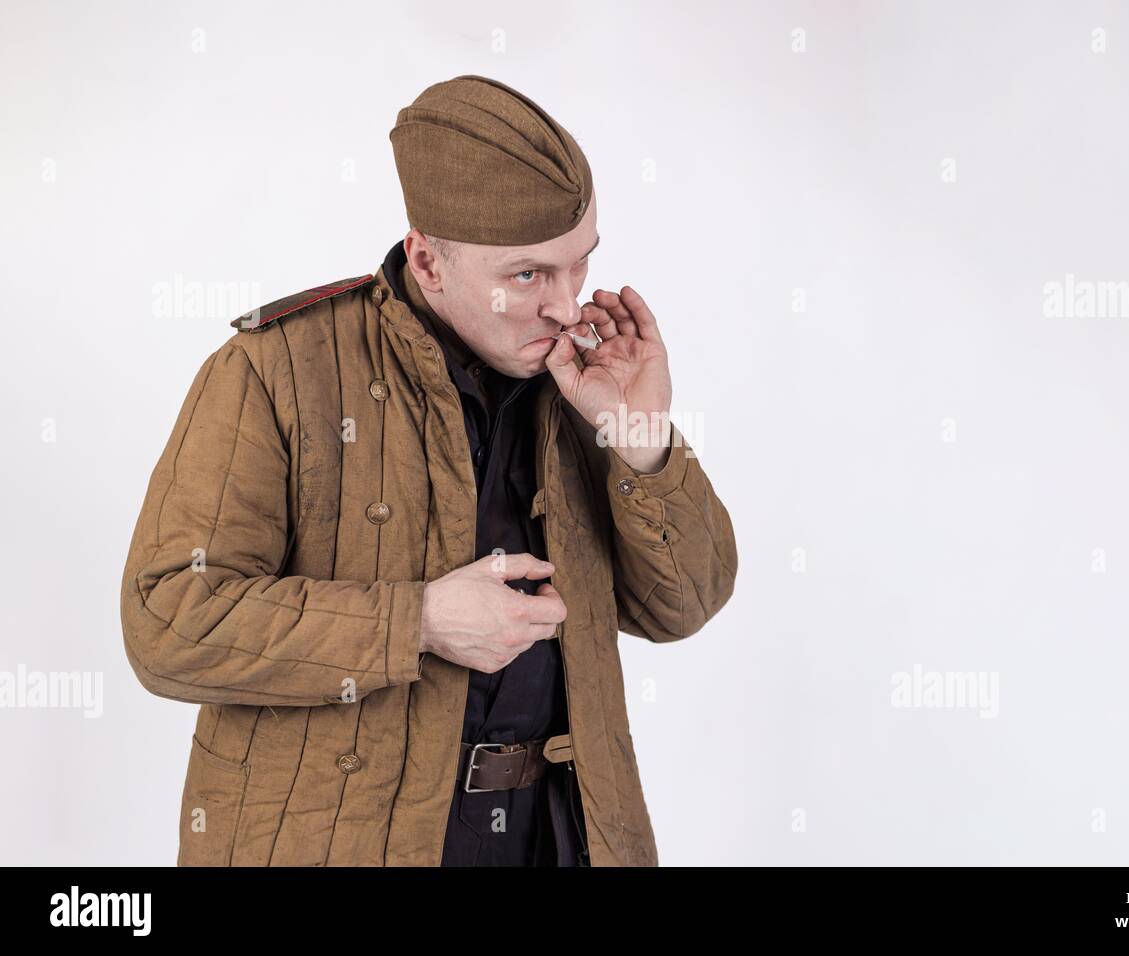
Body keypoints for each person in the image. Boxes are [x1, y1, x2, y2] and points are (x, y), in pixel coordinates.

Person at [119, 74, 738, 866]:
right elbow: (168, 620)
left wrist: (639, 432)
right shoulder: (277, 370)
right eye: (527, 276)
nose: (565, 305)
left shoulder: (587, 381)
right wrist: (416, 623)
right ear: (428, 259)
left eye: (578, 265)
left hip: (559, 837)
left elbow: (683, 607)